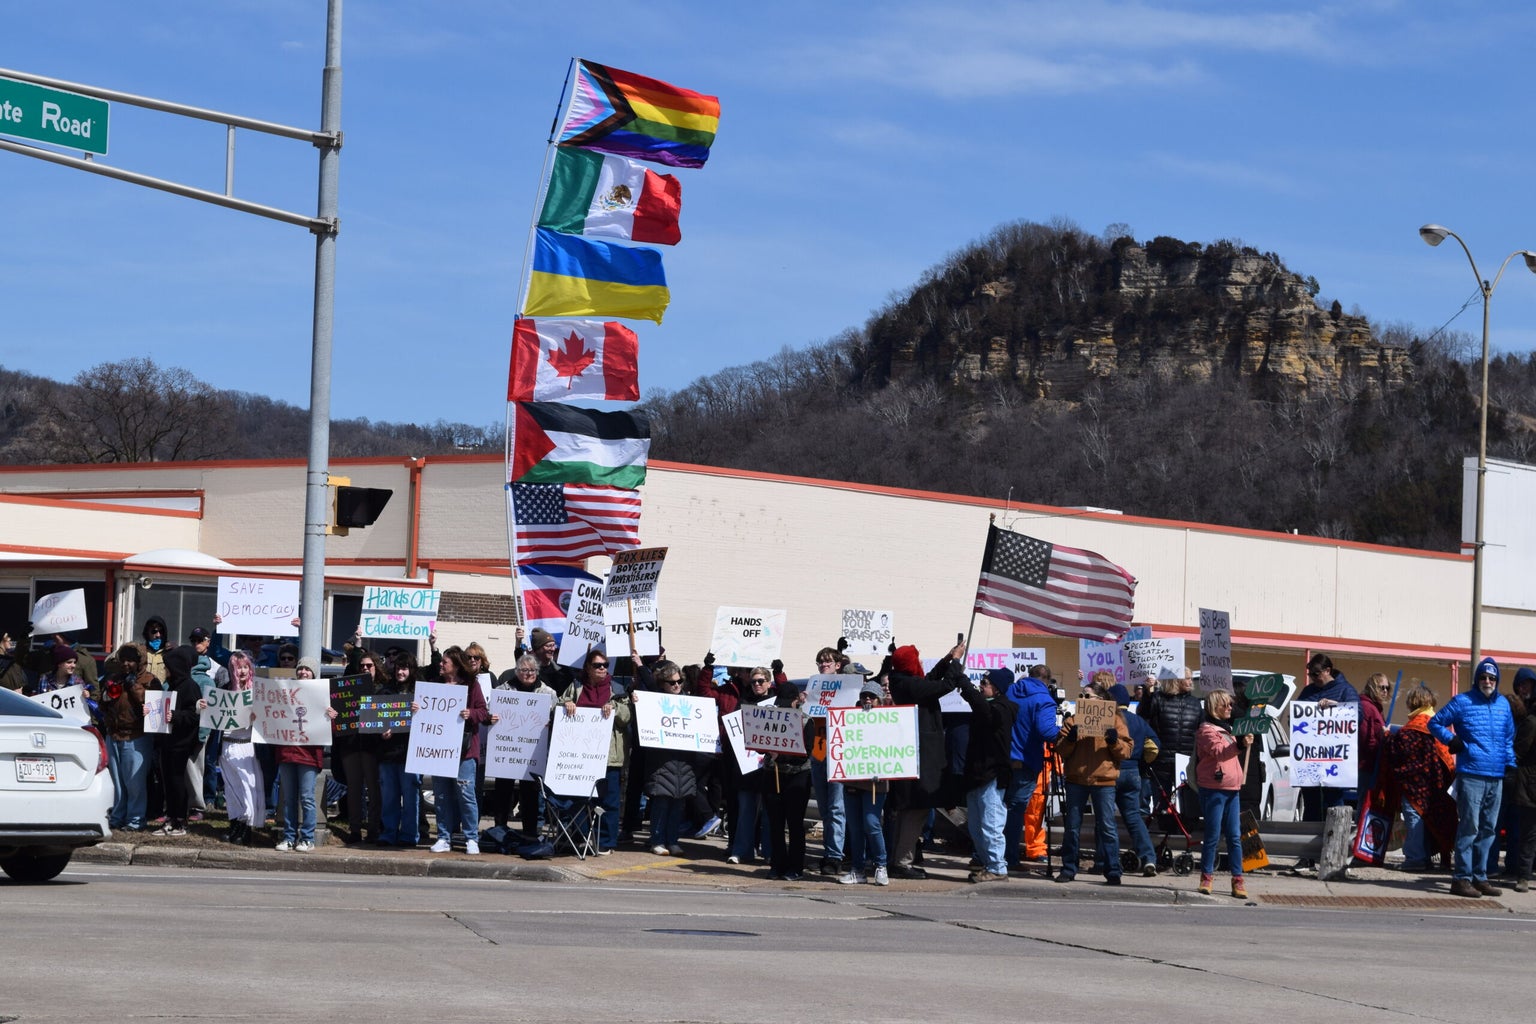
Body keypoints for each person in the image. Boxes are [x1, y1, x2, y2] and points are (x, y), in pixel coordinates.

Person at [1431, 657, 1517, 898]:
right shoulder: (1463, 701)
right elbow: (1435, 722)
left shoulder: (1503, 704)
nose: (1487, 681)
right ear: (1477, 679)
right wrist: (1452, 740)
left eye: (1491, 678)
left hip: (1496, 775)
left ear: (1497, 681)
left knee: (1489, 829)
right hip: (1471, 774)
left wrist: (1510, 764)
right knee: (1470, 827)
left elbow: (1508, 738)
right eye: (1483, 677)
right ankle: (1461, 878)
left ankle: (1480, 876)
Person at [886, 642, 966, 879]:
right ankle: (902, 861)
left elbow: (929, 679)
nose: (920, 663)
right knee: (916, 808)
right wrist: (956, 663)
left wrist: (947, 658)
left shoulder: (901, 680)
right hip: (922, 753)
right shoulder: (909, 684)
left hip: (914, 752)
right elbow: (943, 686)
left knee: (907, 809)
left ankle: (898, 858)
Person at [1053, 671, 1133, 885]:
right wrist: (1070, 739)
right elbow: (1060, 750)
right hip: (1076, 779)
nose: (1084, 700)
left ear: (1101, 701)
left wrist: (1114, 741)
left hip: (1104, 780)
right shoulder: (1073, 719)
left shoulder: (1115, 721)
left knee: (1107, 827)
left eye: (1088, 697)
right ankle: (1069, 868)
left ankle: (1113, 870)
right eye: (1082, 696)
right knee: (1072, 826)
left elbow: (1126, 752)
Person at [560, 650, 630, 855]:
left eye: (605, 665)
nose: (602, 669)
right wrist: (567, 704)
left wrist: (614, 706)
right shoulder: (576, 687)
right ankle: (584, 836)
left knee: (608, 801)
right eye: (598, 665)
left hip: (609, 757)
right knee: (580, 799)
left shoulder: (616, 689)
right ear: (588, 668)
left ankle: (605, 842)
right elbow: (556, 707)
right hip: (580, 755)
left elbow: (626, 718)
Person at [428, 649, 494, 856]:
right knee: (441, 795)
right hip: (440, 750)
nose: (441, 665)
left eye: (444, 662)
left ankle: (471, 838)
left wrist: (471, 713)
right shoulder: (435, 686)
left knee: (466, 795)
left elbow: (483, 712)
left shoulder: (471, 686)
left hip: (465, 751)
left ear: (455, 665)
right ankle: (443, 837)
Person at [1387, 685, 1457, 873]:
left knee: (1415, 821)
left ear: (1412, 703)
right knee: (1431, 822)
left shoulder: (1410, 730)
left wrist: (1387, 738)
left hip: (1414, 786)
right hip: (1438, 786)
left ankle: (1416, 859)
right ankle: (1426, 857)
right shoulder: (1439, 727)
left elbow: (1398, 756)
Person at [274, 657, 339, 853]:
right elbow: (273, 718)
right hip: (286, 753)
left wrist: (331, 718)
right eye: (300, 669)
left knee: (307, 798)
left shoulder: (322, 697)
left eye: (307, 670)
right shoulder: (285, 694)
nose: (303, 672)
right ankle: (289, 837)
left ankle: (307, 838)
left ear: (313, 674)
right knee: (288, 799)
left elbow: (330, 731)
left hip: (309, 756)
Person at [958, 668, 1017, 883]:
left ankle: (998, 867)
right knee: (975, 826)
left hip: (992, 775)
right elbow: (979, 705)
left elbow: (983, 709)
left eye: (985, 682)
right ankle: (986, 862)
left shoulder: (1002, 709)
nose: (981, 685)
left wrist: (965, 684)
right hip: (976, 774)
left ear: (997, 688)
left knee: (991, 824)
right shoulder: (988, 707)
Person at [1004, 664, 1064, 872]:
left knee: (998, 808)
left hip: (1003, 758)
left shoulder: (1010, 690)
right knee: (1015, 810)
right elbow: (1046, 731)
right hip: (1025, 760)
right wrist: (1065, 730)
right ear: (1047, 680)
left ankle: (985, 854)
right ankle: (1009, 858)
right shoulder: (1043, 700)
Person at [491, 653, 555, 839]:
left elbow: (556, 718)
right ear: (517, 671)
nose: (528, 674)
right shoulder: (503, 690)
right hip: (507, 752)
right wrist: (491, 717)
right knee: (503, 791)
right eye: (524, 670)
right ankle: (499, 830)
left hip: (533, 753)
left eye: (532, 670)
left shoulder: (548, 694)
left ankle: (530, 832)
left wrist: (550, 722)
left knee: (530, 794)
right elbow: (490, 711)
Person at [1195, 689, 1250, 898]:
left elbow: (1231, 752)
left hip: (1231, 789)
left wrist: (1242, 743)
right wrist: (1240, 744)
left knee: (1235, 837)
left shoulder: (1228, 729)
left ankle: (1238, 879)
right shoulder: (1206, 731)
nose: (1230, 708)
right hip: (1214, 789)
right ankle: (1206, 876)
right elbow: (1219, 752)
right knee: (1213, 835)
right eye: (1225, 704)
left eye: (1230, 704)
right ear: (1214, 707)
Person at [1297, 653, 1360, 825]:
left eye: (1316, 674)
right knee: (1311, 804)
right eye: (1310, 674)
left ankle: (1334, 842)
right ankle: (1309, 846)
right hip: (1311, 760)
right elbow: (1297, 719)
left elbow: (1357, 715)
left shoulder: (1346, 690)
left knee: (1333, 802)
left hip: (1334, 760)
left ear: (1327, 671)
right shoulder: (1308, 691)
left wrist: (1336, 706)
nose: (1312, 678)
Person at [641, 660, 697, 855]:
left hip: (684, 762)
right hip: (662, 761)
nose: (677, 685)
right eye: (672, 682)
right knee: (662, 802)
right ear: (663, 683)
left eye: (680, 681)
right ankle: (657, 840)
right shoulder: (653, 702)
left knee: (678, 803)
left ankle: (673, 840)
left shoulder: (690, 703)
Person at [101, 644, 158, 832]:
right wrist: (105, 696)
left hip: (137, 736)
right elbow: (103, 705)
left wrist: (134, 685)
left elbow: (153, 707)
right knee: (117, 782)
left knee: (135, 782)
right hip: (114, 734)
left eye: (130, 660)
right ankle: (117, 816)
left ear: (139, 661)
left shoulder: (150, 680)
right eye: (123, 660)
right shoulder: (114, 678)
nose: (126, 664)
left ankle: (135, 819)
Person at [759, 679, 813, 880]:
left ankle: (796, 867)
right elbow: (759, 742)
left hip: (797, 777)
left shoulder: (806, 721)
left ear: (795, 701)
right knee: (775, 823)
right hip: (772, 775)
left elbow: (805, 752)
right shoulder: (770, 717)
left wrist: (780, 756)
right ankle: (777, 864)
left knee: (795, 824)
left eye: (786, 703)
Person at [840, 679, 892, 886]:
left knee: (871, 823)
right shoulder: (849, 718)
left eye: (871, 696)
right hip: (852, 779)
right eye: (864, 696)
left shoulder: (889, 719)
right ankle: (857, 869)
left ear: (879, 699)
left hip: (875, 782)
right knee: (854, 826)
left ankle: (881, 865)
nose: (867, 700)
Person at [1138, 665, 1202, 824]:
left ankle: (1187, 833)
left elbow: (1201, 729)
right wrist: (1148, 692)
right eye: (1186, 677)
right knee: (1162, 803)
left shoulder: (1195, 703)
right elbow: (1144, 713)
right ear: (1176, 680)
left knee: (1188, 802)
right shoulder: (1159, 699)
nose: (1190, 681)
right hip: (1162, 761)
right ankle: (1162, 833)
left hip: (1187, 761)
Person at [1110, 682, 1161, 876]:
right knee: (1133, 818)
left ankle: (1107, 860)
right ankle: (1149, 858)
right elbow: (1154, 747)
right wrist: (1142, 762)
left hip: (1112, 771)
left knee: (1106, 818)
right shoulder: (1139, 721)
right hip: (1133, 773)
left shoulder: (1111, 719)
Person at [215, 651, 264, 845]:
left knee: (247, 788)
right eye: (238, 667)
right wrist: (203, 706)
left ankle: (247, 827)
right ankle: (234, 822)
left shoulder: (257, 692)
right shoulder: (226, 689)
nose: (242, 671)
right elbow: (215, 713)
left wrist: (256, 717)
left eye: (245, 667)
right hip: (227, 744)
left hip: (246, 746)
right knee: (231, 787)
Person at [156, 644, 205, 837]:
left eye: (168, 667)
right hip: (168, 740)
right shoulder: (173, 685)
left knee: (177, 781)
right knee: (167, 780)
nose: (165, 670)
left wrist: (175, 716)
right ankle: (171, 817)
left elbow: (194, 715)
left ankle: (180, 820)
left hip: (182, 742)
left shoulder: (190, 687)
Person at [338, 649, 385, 845]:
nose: (365, 668)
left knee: (374, 791)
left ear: (376, 668)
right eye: (363, 666)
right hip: (350, 745)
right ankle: (355, 829)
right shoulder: (350, 688)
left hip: (372, 748)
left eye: (369, 666)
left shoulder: (382, 690)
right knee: (354, 790)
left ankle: (373, 829)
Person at [807, 646, 847, 875]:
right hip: (818, 751)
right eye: (820, 662)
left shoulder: (845, 686)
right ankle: (828, 853)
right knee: (824, 807)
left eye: (828, 662)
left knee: (836, 807)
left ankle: (835, 856)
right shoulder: (814, 687)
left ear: (837, 665)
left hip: (837, 752)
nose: (823, 665)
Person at [377, 653, 422, 848]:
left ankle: (409, 835)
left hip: (411, 755)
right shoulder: (384, 692)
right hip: (388, 754)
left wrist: (420, 711)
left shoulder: (420, 694)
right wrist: (381, 732)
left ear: (411, 671)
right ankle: (388, 833)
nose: (400, 672)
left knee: (411, 798)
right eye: (397, 669)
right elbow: (375, 721)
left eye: (404, 668)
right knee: (389, 798)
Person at [1509, 691, 1536, 892]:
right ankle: (1524, 877)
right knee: (1528, 834)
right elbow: (1518, 752)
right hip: (1530, 785)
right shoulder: (1531, 722)